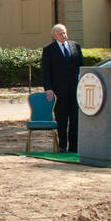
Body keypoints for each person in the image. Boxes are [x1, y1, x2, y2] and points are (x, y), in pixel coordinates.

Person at [41, 24, 82, 153]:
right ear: (54, 35)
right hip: (59, 91)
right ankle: (63, 145)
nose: (64, 35)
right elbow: (45, 71)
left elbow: (82, 67)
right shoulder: (49, 49)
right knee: (62, 119)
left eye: (64, 32)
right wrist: (48, 88)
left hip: (75, 90)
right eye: (60, 34)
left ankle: (74, 147)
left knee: (75, 119)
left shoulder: (75, 46)